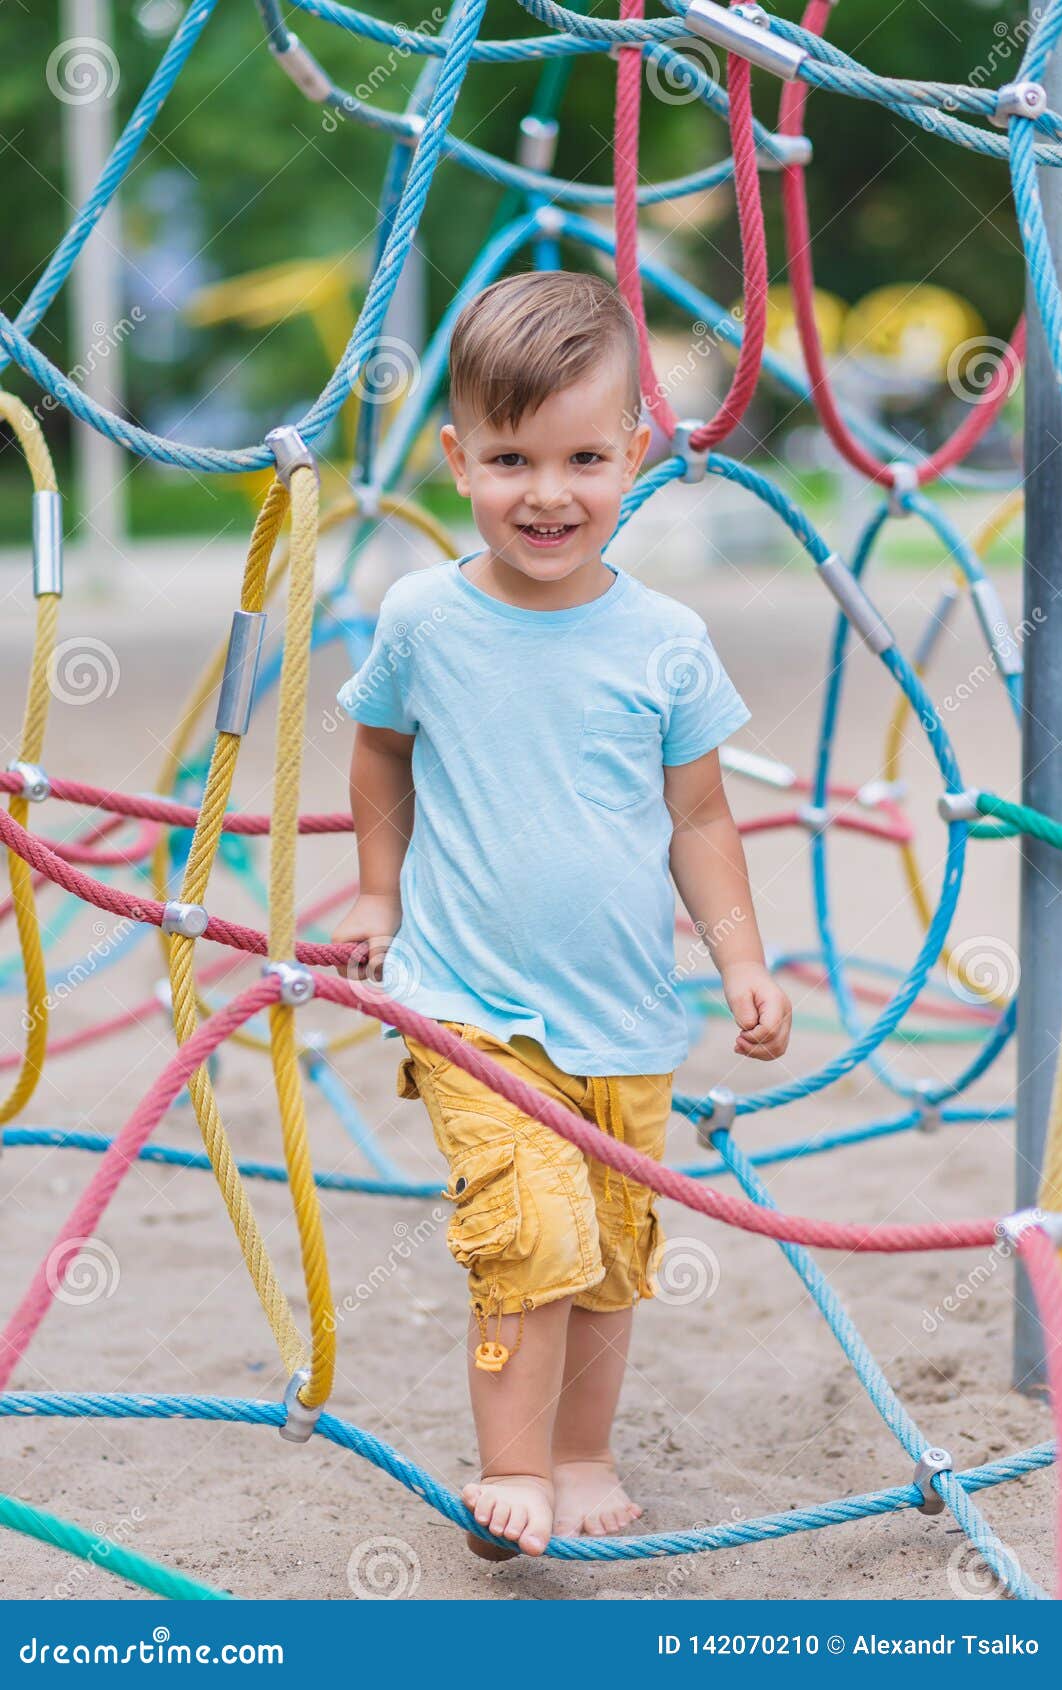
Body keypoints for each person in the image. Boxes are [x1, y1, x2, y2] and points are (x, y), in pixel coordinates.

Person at [330, 269, 792, 1561]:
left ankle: (583, 1450)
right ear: (456, 458)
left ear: (638, 454)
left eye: (584, 456)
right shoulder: (427, 615)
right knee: (528, 1233)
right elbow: (378, 752)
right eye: (510, 456)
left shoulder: (666, 639)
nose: (548, 491)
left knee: (607, 1260)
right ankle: (515, 1471)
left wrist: (743, 958)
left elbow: (701, 818)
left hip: (628, 1020)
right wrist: (377, 889)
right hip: (469, 1002)